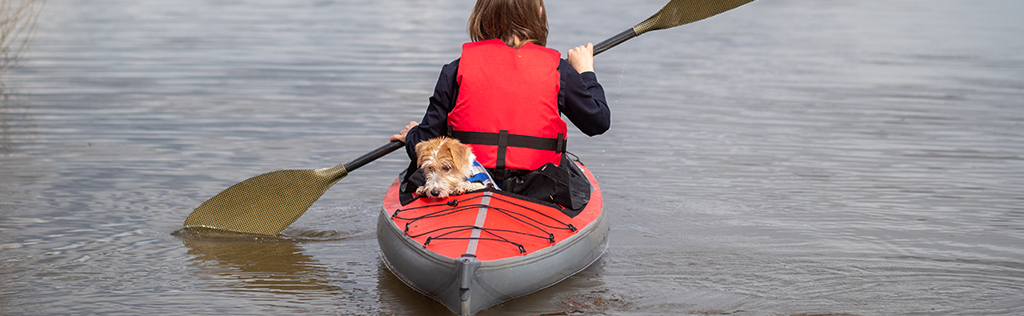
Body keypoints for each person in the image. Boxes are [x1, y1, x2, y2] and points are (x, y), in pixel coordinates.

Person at [391, 0, 609, 211]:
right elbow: (598, 122)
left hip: (468, 185)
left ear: (482, 15)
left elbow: (423, 143)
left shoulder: (456, 69)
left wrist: (412, 135)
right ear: (540, 12)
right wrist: (585, 72)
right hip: (537, 189)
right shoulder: (559, 70)